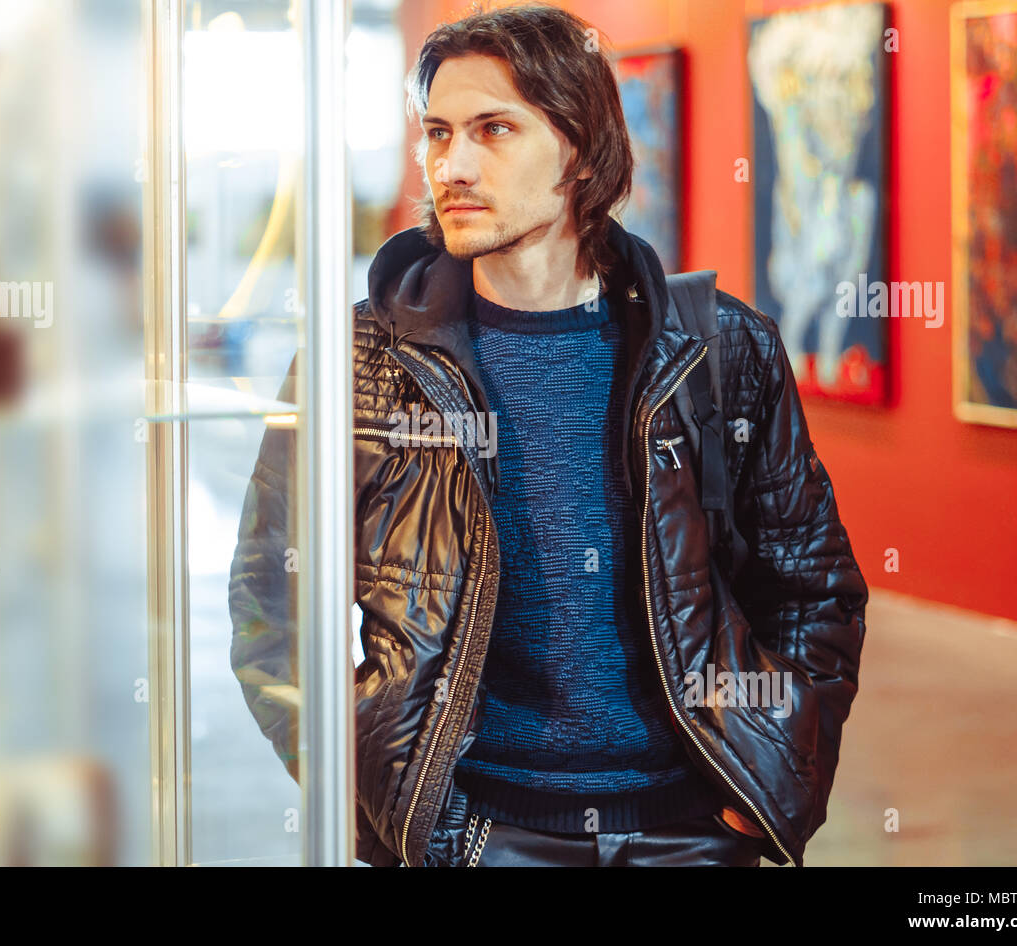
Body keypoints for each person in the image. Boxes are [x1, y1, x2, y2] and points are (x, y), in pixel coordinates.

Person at [228, 3, 868, 867]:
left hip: (691, 831)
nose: (451, 164)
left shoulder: (717, 346)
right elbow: (272, 605)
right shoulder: (361, 363)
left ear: (580, 149)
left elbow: (812, 592)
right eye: (438, 132)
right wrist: (378, 800)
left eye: (495, 129)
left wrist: (775, 774)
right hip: (476, 836)